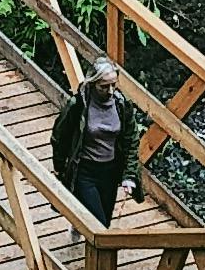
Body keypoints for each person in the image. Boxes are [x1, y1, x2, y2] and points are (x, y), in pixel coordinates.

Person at [50, 56, 143, 229]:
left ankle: (80, 225)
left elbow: (131, 140)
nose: (110, 91)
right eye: (104, 87)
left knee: (105, 223)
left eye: (114, 85)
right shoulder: (77, 105)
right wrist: (59, 167)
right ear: (92, 84)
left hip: (110, 171)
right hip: (85, 170)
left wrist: (129, 175)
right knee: (99, 225)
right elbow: (59, 136)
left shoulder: (122, 105)